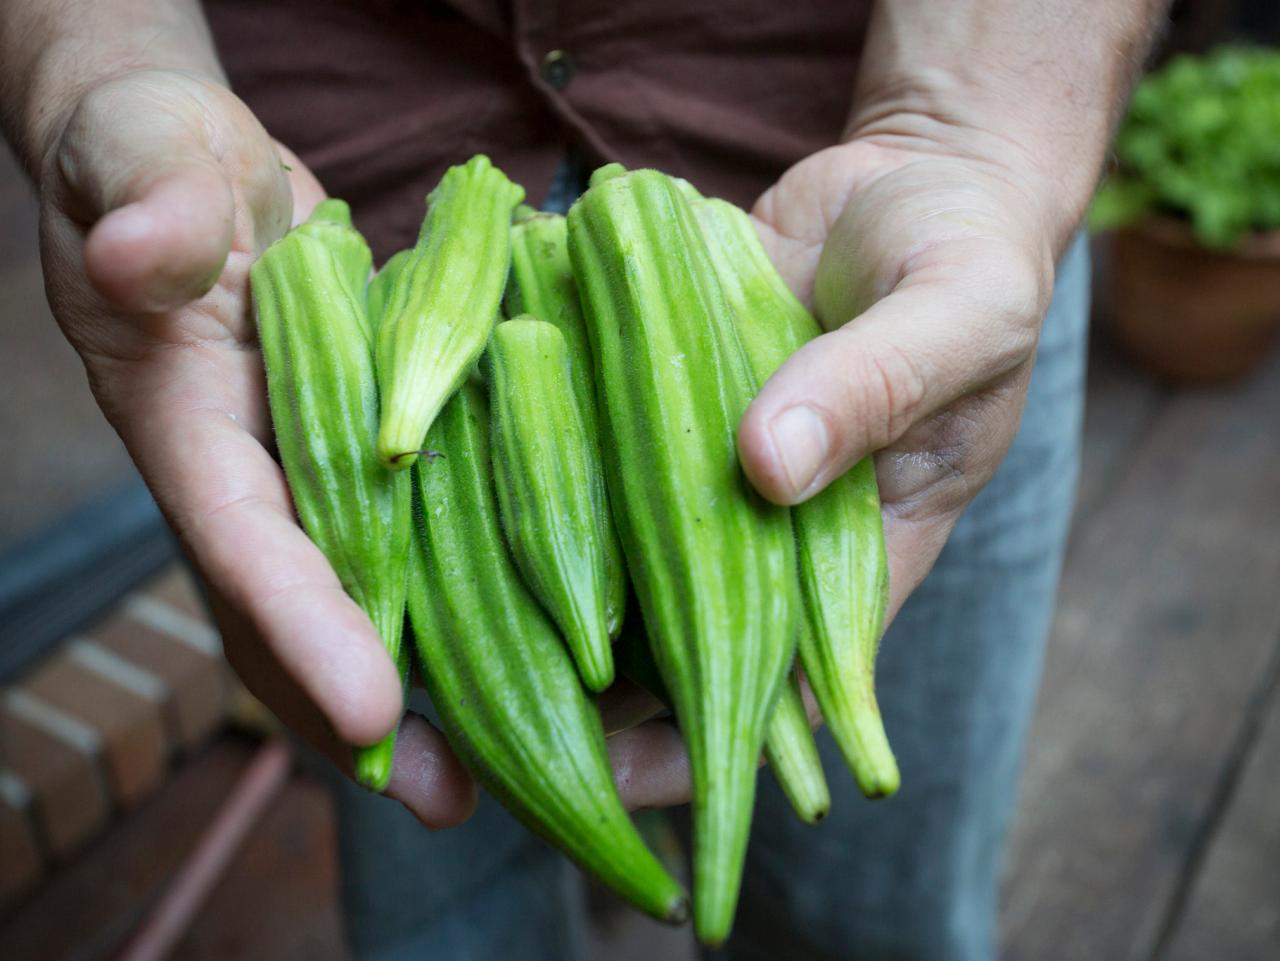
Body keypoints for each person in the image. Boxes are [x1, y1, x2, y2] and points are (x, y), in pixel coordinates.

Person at [0, 1, 1167, 958]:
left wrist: (972, 135)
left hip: (840, 264)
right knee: (439, 898)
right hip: (297, 248)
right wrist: (96, 58)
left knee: (863, 920)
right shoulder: (325, 339)